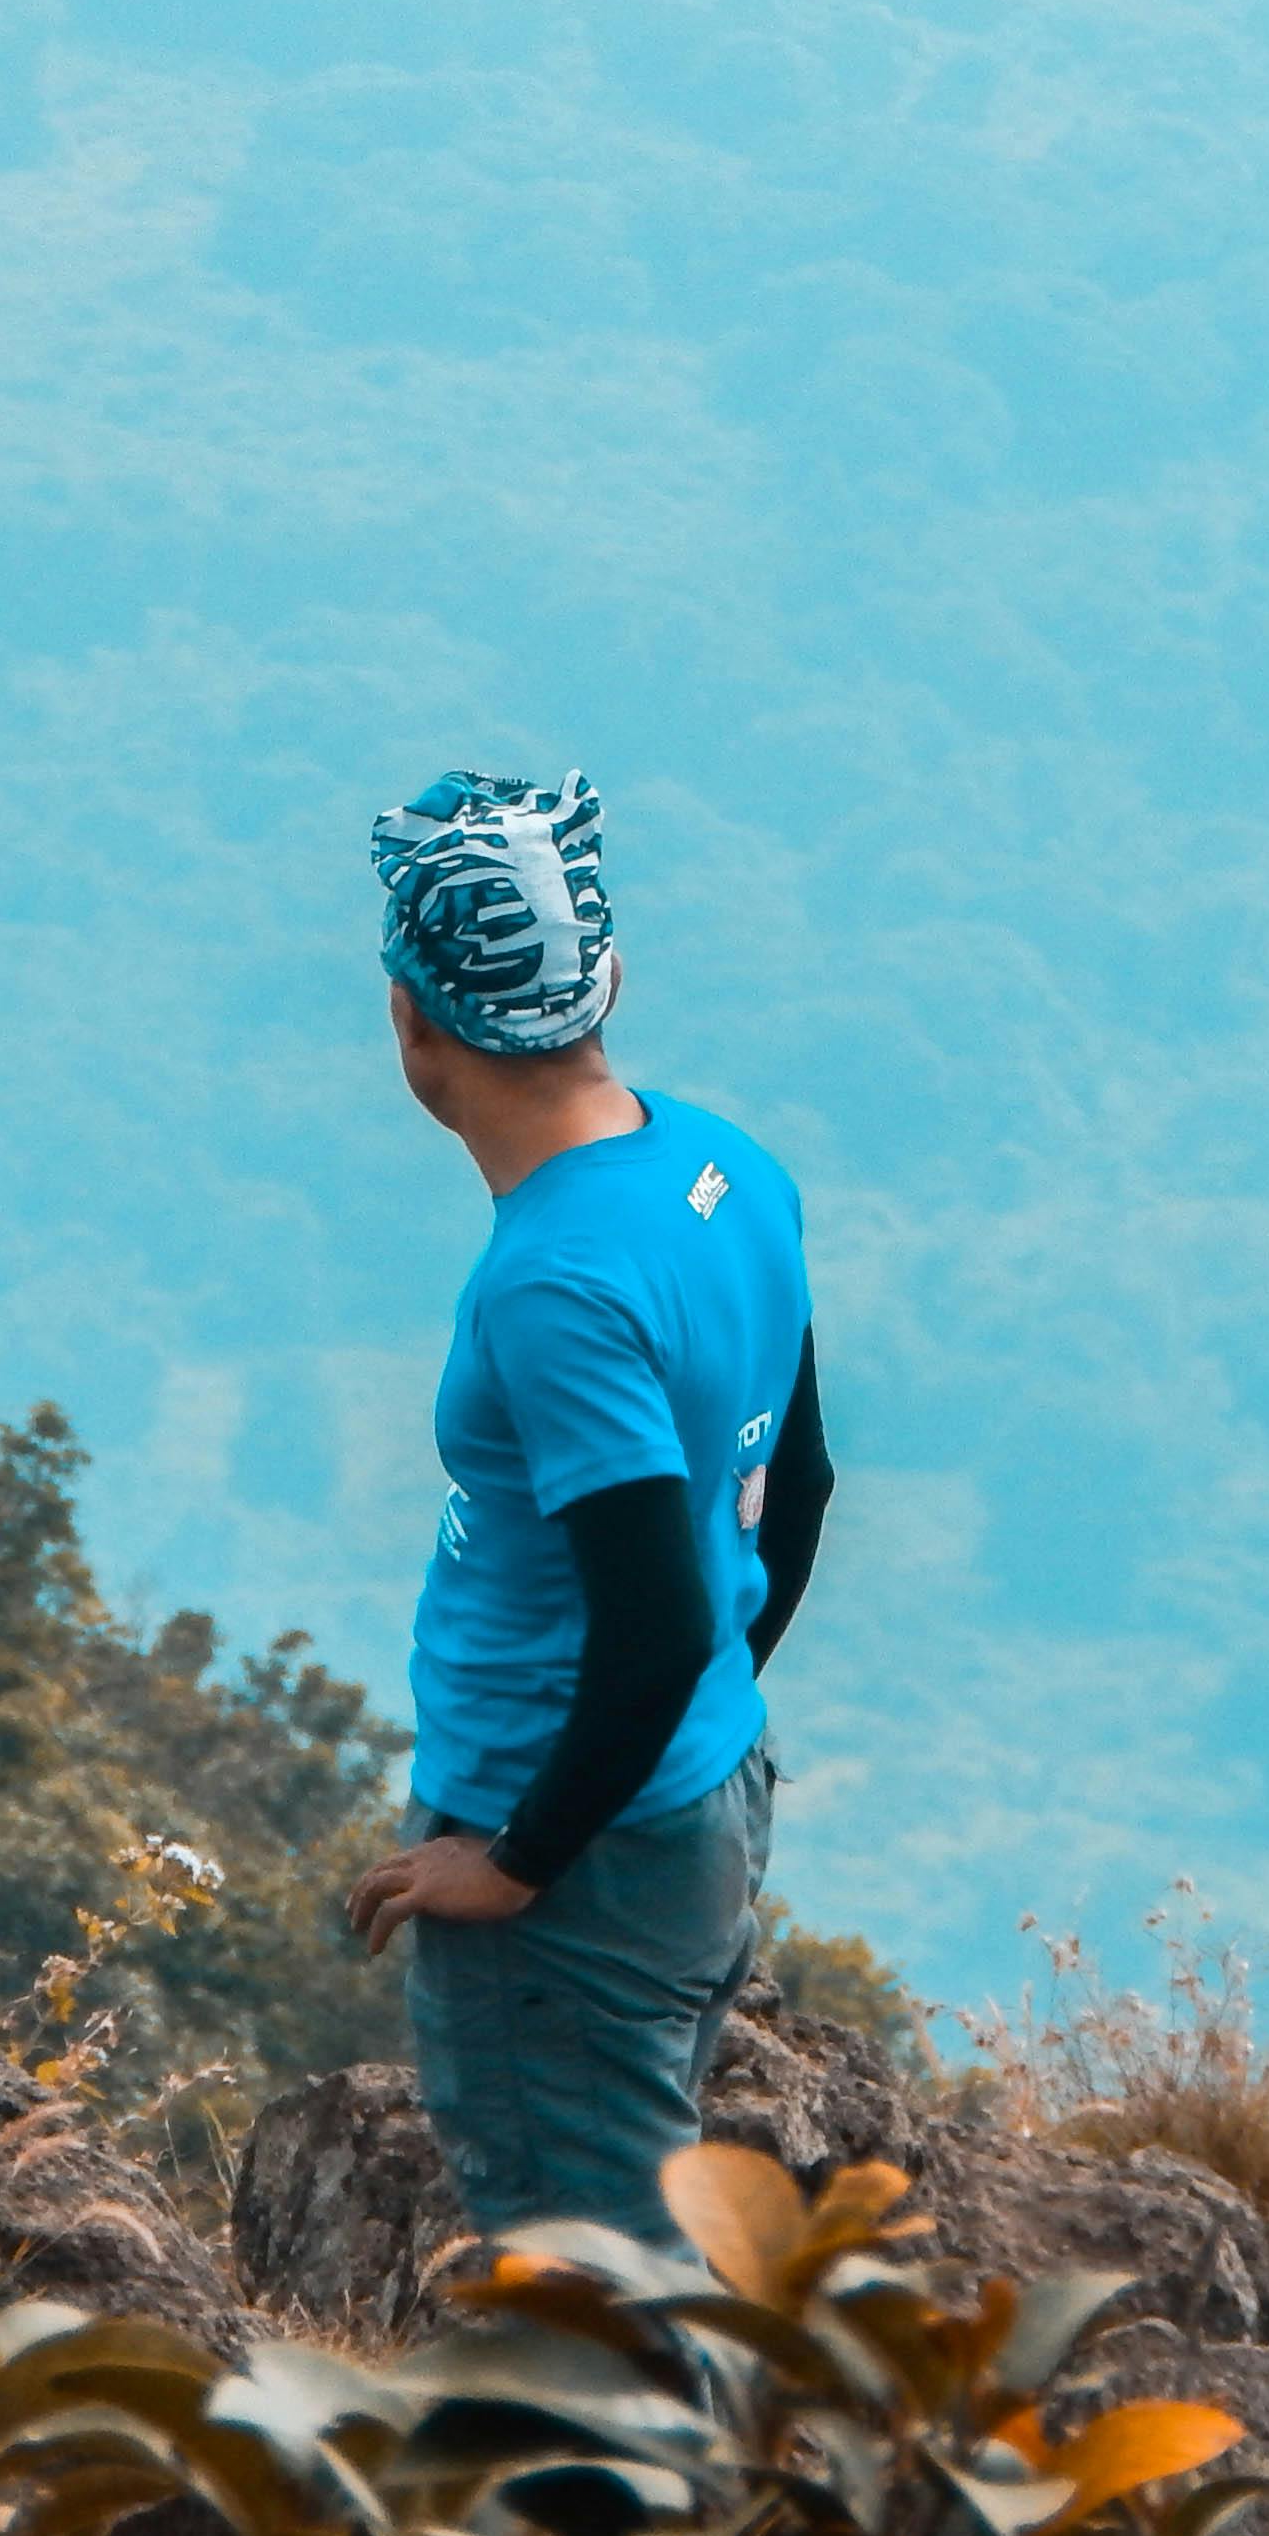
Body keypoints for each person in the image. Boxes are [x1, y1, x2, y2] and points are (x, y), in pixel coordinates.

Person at [342, 769, 834, 2248]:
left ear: (415, 1023)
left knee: (588, 2282)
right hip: (698, 1800)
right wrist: (701, 1728)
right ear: (601, 984)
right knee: (642, 2224)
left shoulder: (557, 1283)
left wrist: (516, 1860)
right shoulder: (725, 1167)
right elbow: (793, 1490)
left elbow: (656, 1616)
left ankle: (659, 2488)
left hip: (582, 1856)